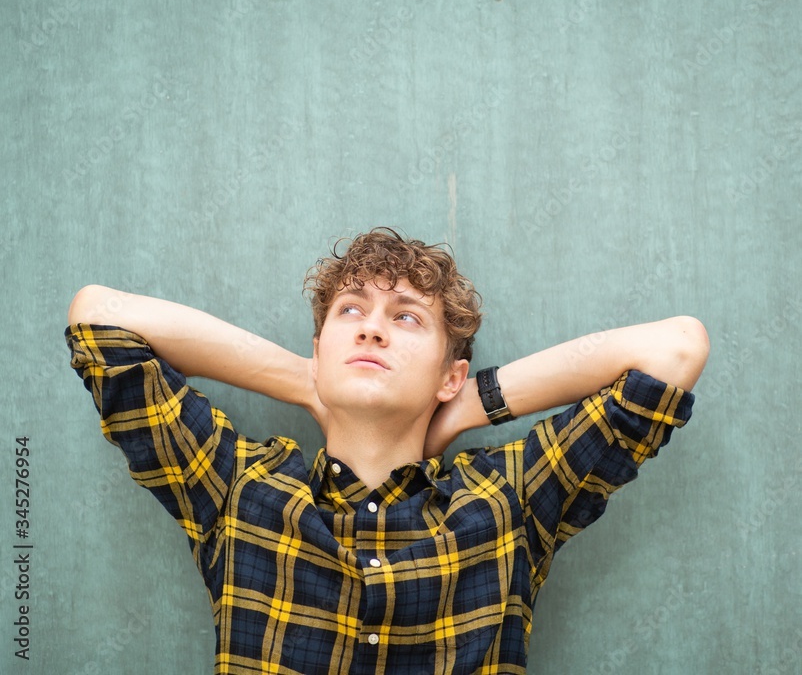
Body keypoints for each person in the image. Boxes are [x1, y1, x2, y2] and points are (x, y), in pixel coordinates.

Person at [66, 227, 709, 675]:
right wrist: (309, 379)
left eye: (406, 317)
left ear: (448, 372)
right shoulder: (241, 490)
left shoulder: (506, 502)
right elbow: (99, 319)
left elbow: (675, 350)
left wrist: (465, 404)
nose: (372, 325)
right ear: (320, 348)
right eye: (351, 311)